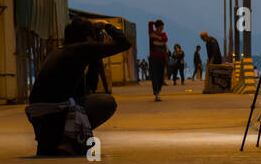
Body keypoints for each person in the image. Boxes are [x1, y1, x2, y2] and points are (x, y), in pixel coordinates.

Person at [26, 18, 131, 156]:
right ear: (87, 37)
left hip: (40, 118)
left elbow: (87, 89)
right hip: (53, 114)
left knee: (82, 101)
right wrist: (107, 26)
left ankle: (61, 140)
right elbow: (124, 44)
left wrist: (95, 59)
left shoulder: (61, 51)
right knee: (107, 102)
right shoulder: (81, 49)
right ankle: (68, 140)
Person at [147, 20, 168, 101]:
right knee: (154, 76)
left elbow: (165, 39)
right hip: (153, 58)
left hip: (162, 58)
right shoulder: (151, 32)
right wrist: (155, 23)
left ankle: (158, 91)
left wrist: (156, 38)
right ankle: (156, 93)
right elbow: (150, 23)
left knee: (161, 76)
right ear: (158, 26)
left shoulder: (163, 34)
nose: (162, 28)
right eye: (161, 26)